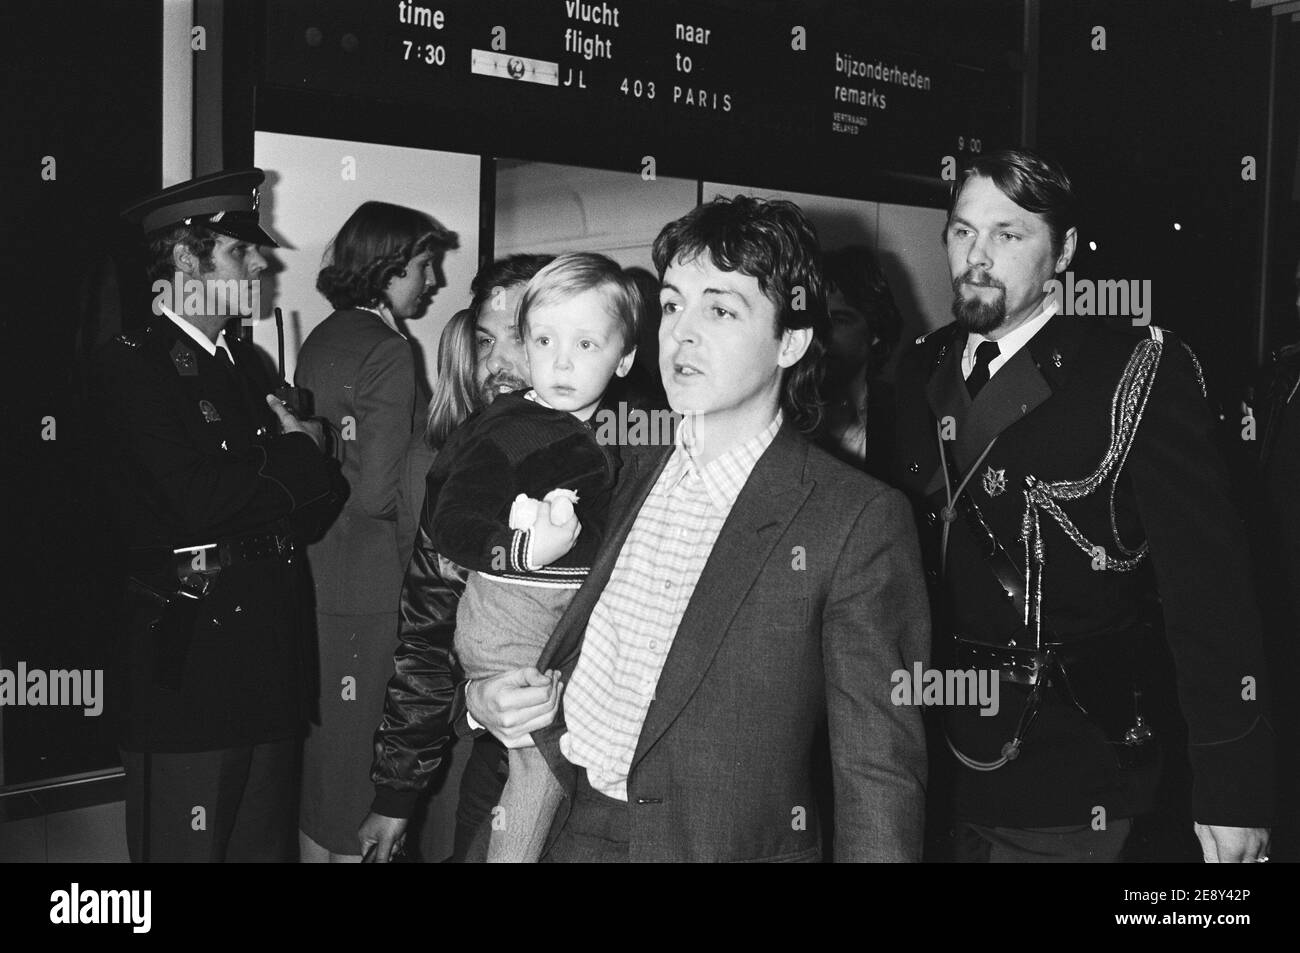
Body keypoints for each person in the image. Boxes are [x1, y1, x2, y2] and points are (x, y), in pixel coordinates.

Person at [892, 148, 1274, 862]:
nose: (978, 255)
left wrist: (1233, 787)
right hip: (926, 766)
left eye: (1009, 235)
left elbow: (1211, 598)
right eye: (962, 231)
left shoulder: (1133, 373)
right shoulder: (915, 372)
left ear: (1063, 251)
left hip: (1070, 780)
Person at [527, 195, 931, 862]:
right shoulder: (618, 463)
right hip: (570, 827)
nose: (682, 332)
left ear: (792, 339)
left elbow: (878, 772)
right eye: (674, 303)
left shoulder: (854, 520)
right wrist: (487, 695)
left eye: (720, 308)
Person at [96, 169, 346, 862]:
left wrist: (296, 472)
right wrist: (302, 457)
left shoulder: (248, 363)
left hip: (268, 658)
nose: (263, 262)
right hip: (190, 663)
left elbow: (311, 509)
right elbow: (195, 505)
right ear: (184, 258)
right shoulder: (134, 367)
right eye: (242, 251)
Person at [428, 253, 639, 860]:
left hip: (576, 645)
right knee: (537, 773)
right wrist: (520, 548)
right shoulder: (509, 427)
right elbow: (451, 527)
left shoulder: (647, 438)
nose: (561, 362)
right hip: (513, 625)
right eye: (542, 340)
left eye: (585, 342)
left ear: (623, 356)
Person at [361, 254, 555, 862]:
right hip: (495, 763)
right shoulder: (465, 469)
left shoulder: (633, 462)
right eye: (486, 340)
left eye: (521, 338)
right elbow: (426, 629)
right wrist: (396, 794)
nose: (496, 364)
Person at [294, 201, 458, 863]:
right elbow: (379, 493)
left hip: (318, 574)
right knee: (366, 784)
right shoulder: (390, 350)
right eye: (425, 265)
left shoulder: (326, 336)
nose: (434, 280)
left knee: (323, 776)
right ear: (388, 266)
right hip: (372, 592)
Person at [818, 245, 902, 479]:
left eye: (839, 320)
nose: (819, 335)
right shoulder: (779, 412)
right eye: (813, 319)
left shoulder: (905, 418)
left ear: (875, 331)